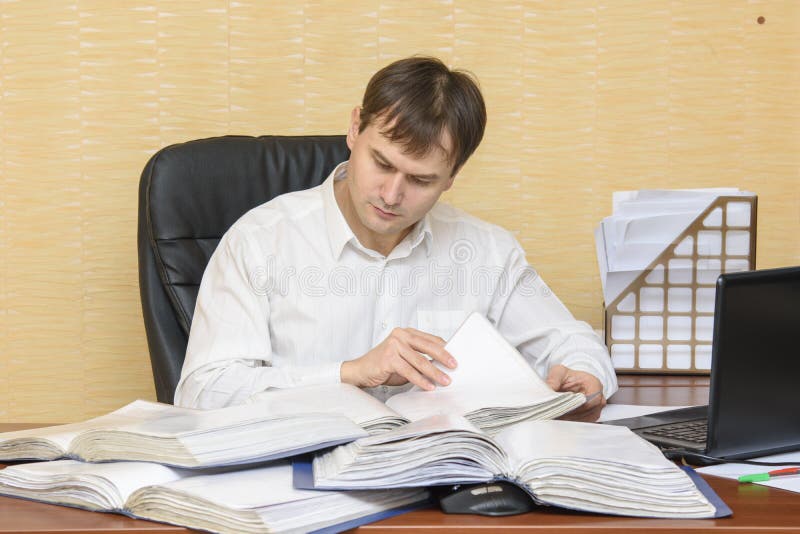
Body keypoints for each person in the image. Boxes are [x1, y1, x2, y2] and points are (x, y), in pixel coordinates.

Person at [174, 56, 617, 420]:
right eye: (382, 163)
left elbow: (574, 343)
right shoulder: (259, 242)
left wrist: (584, 376)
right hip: (297, 483)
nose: (391, 195)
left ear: (453, 175)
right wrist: (349, 373)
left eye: (421, 180)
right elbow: (202, 392)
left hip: (444, 484)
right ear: (354, 129)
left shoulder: (486, 252)